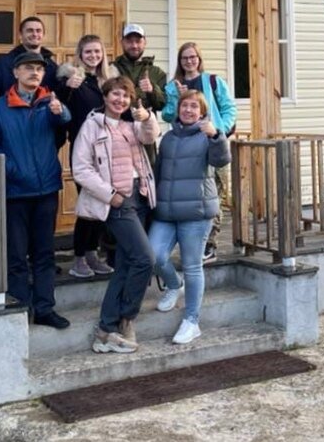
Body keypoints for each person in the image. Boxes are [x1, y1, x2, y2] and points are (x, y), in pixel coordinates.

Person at [0, 51, 72, 329]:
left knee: (44, 254)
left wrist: (61, 112)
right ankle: (19, 309)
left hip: (46, 191)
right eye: (29, 68)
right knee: (17, 255)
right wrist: (14, 171)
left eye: (39, 69)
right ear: (16, 73)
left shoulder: (49, 102)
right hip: (15, 192)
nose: (35, 73)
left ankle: (44, 308)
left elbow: (64, 123)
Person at [71, 76, 160, 353]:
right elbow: (81, 169)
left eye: (125, 96)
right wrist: (111, 195)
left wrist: (147, 118)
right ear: (105, 97)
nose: (120, 100)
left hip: (140, 197)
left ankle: (106, 329)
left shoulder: (130, 125)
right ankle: (127, 318)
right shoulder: (92, 125)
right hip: (118, 203)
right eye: (115, 94)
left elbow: (150, 136)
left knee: (125, 264)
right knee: (145, 259)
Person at [150, 90, 231, 344]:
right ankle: (174, 285)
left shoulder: (208, 136)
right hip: (166, 211)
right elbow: (159, 171)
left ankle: (192, 321)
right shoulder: (168, 138)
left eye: (194, 106)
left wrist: (216, 136)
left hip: (196, 212)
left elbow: (222, 160)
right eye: (184, 105)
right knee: (153, 255)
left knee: (192, 266)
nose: (188, 110)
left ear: (202, 112)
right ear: (178, 109)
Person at [162, 42, 237, 263]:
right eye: (184, 58)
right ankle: (195, 243)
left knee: (216, 193)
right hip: (187, 149)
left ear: (199, 59)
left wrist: (218, 130)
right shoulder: (173, 86)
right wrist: (177, 98)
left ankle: (210, 244)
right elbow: (168, 115)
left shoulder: (213, 81)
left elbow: (229, 108)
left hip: (212, 144)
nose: (189, 61)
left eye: (193, 57)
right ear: (180, 61)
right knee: (194, 195)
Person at [55, 35, 118, 279]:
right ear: (80, 54)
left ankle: (93, 253)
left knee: (103, 200)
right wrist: (68, 88)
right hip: (83, 149)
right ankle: (79, 258)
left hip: (108, 148)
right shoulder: (71, 78)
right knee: (88, 201)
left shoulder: (108, 81)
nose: (93, 56)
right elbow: (59, 107)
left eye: (97, 51)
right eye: (88, 52)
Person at [0, 16, 58, 108]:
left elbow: (61, 97)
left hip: (42, 116)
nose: (35, 34)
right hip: (9, 115)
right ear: (20, 35)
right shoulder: (3, 65)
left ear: (43, 35)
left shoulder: (51, 66)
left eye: (38, 31)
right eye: (30, 30)